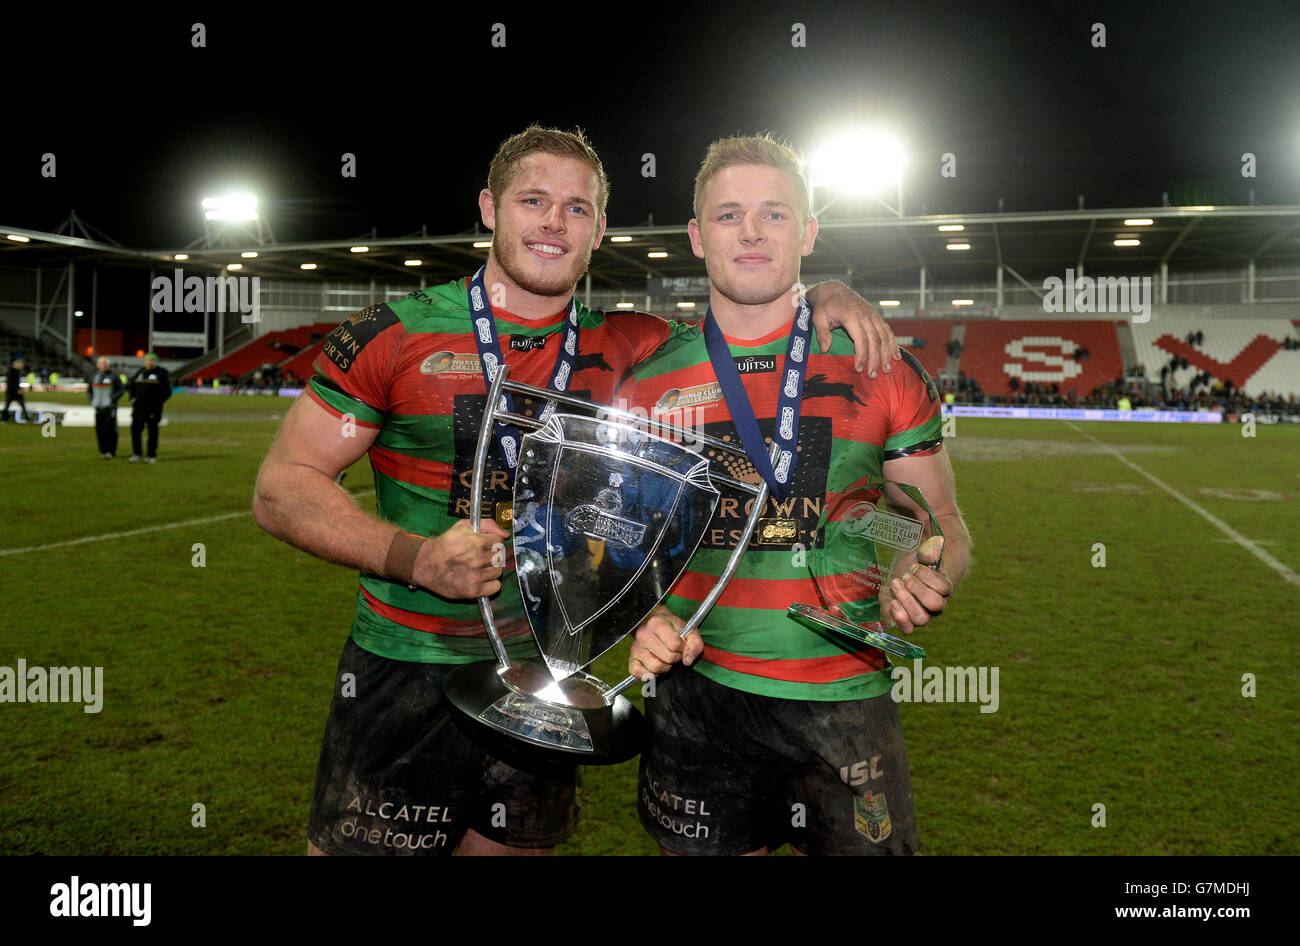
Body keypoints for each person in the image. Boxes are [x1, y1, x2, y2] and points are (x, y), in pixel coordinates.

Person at [251, 125, 903, 858]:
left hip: (555, 672)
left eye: (577, 208)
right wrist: (414, 558)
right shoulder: (395, 333)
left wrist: (825, 291)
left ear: (597, 231)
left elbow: (750, 312)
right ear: (490, 208)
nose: (554, 222)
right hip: (409, 667)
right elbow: (282, 487)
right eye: (534, 200)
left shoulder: (632, 345)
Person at [623, 135, 973, 856]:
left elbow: (944, 528)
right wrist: (643, 617)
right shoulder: (647, 381)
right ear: (696, 236)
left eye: (774, 214)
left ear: (809, 232)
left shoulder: (880, 364)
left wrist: (928, 570)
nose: (751, 232)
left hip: (842, 699)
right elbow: (625, 544)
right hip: (696, 692)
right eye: (728, 216)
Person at [128, 353, 171, 462]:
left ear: (155, 362)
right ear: (145, 361)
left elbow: (167, 392)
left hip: (153, 409)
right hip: (138, 408)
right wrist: (132, 397)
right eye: (148, 360)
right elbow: (131, 386)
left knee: (152, 432)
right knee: (135, 431)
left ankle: (151, 455)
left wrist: (157, 402)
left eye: (152, 360)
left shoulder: (161, 373)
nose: (149, 362)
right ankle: (137, 453)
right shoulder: (140, 372)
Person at [88, 356, 125, 457]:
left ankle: (111, 451)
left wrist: (112, 399)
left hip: (110, 408)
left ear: (108, 365)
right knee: (99, 429)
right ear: (97, 365)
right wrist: (92, 400)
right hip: (98, 408)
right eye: (101, 363)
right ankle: (103, 451)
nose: (103, 365)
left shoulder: (114, 376)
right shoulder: (94, 376)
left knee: (111, 429)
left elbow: (121, 390)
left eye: (105, 363)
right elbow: (89, 391)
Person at [3, 355, 29, 422]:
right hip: (12, 392)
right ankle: (4, 417)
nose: (21, 365)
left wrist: (20, 388)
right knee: (8, 405)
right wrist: (18, 389)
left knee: (20, 404)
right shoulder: (11, 372)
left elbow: (15, 383)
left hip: (14, 391)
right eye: (20, 364)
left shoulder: (16, 372)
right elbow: (11, 383)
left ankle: (26, 417)